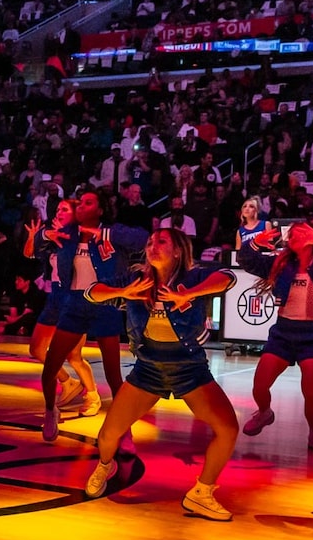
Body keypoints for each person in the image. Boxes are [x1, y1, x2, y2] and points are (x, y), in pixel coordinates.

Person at [81, 228, 240, 520]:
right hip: (148, 368)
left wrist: (191, 294)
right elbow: (91, 293)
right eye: (150, 242)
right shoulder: (136, 280)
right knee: (108, 434)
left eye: (162, 241)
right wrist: (121, 293)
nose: (153, 245)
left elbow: (228, 278)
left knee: (228, 428)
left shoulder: (192, 277)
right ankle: (106, 464)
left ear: (178, 250)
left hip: (189, 367)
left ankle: (201, 494)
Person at [36, 187, 148, 442]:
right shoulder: (67, 234)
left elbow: (143, 238)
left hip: (105, 304)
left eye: (88, 203)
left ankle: (122, 425)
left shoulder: (112, 234)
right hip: (74, 303)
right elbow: (35, 245)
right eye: (80, 203)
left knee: (113, 373)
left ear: (100, 209)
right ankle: (50, 409)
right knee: (51, 364)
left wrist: (102, 232)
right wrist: (44, 234)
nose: (81, 207)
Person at [237, 222, 313, 454]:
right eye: (292, 232)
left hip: (312, 335)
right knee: (259, 386)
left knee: (310, 392)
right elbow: (246, 260)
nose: (293, 235)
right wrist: (255, 243)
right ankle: (265, 412)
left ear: (312, 237)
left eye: (301, 232)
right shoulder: (279, 264)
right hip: (282, 333)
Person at [24, 200, 96, 414]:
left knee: (74, 355)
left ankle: (92, 396)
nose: (59, 212)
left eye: (65, 209)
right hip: (54, 297)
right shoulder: (54, 235)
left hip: (73, 298)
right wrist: (34, 236)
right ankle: (68, 382)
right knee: (36, 349)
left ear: (76, 214)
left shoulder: (79, 235)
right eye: (57, 209)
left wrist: (50, 235)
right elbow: (28, 253)